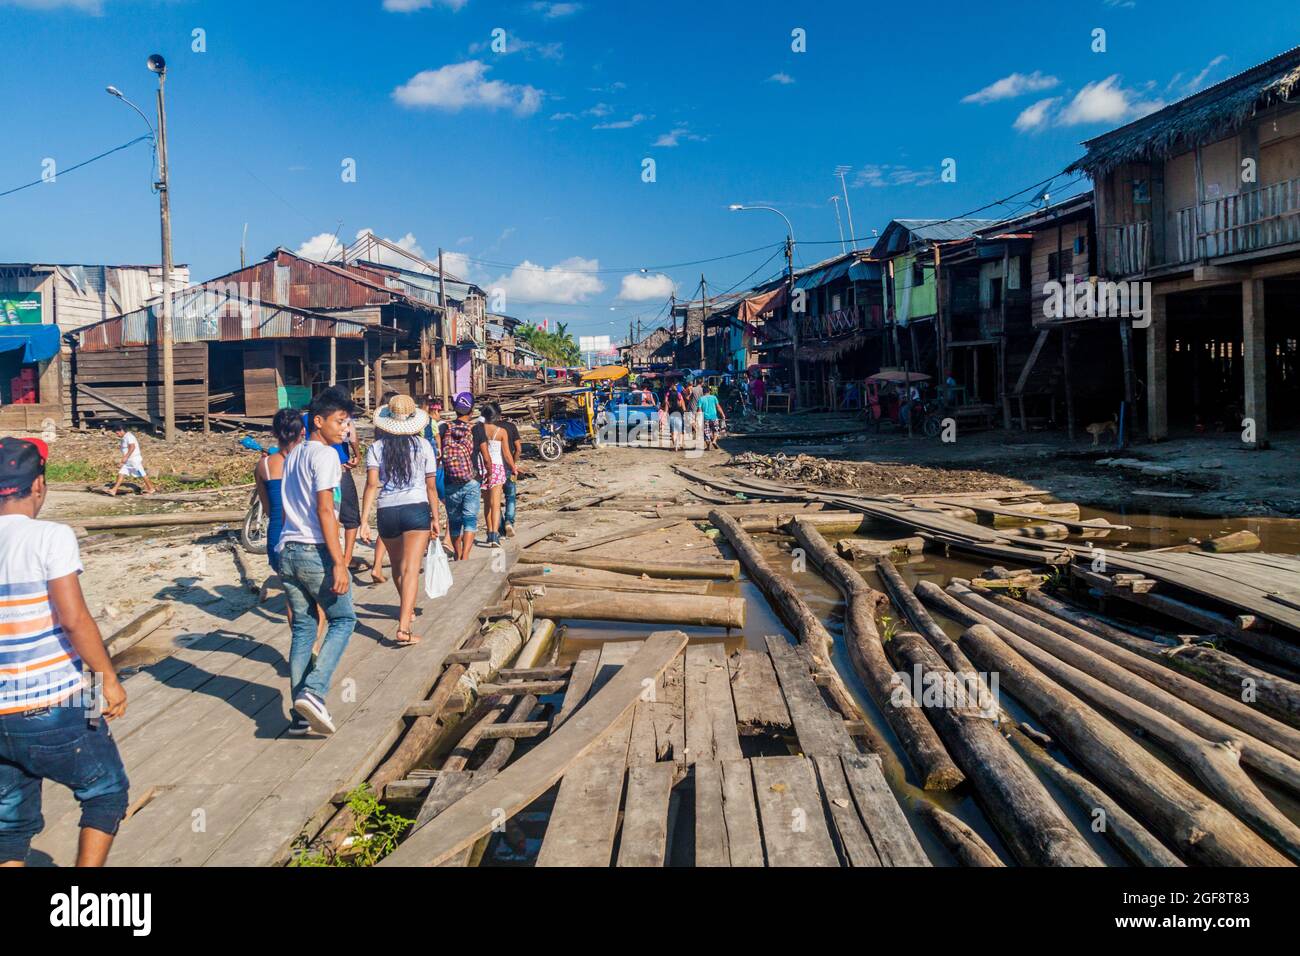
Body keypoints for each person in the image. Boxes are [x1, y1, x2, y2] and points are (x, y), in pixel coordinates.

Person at [0, 437, 130, 867]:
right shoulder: (51, 536)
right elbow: (74, 619)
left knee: (11, 824)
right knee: (105, 792)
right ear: (38, 486)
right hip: (56, 700)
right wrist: (108, 678)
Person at [278, 387, 358, 736]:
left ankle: (299, 715)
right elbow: (326, 510)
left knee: (304, 629)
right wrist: (339, 562)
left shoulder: (293, 453)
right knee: (344, 619)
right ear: (319, 421)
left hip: (287, 550)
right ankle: (315, 691)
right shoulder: (324, 456)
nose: (345, 429)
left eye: (347, 421)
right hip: (313, 549)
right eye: (340, 421)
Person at [359, 396, 440, 647]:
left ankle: (407, 609)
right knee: (412, 568)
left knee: (396, 566)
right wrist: (436, 518)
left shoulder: (376, 448)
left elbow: (371, 485)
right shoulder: (424, 445)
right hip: (416, 508)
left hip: (387, 510)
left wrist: (364, 521)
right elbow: (431, 487)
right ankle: (404, 626)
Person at [302, 405, 361, 573]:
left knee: (326, 514)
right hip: (341, 469)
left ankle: (331, 557)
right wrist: (357, 455)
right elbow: (352, 436)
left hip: (311, 470)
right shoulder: (341, 416)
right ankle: (345, 559)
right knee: (348, 517)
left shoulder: (304, 418)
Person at [255, 408, 305, 578]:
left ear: (274, 432)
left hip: (277, 539)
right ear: (303, 431)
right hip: (305, 539)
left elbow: (269, 510)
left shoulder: (264, 465)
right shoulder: (309, 459)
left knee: (292, 596)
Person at [440, 392, 482, 561]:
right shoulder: (476, 429)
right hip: (471, 480)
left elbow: (438, 451)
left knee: (455, 521)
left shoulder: (445, 427)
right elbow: (485, 454)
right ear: (471, 410)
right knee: (470, 519)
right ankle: (465, 556)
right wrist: (488, 472)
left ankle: (457, 555)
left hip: (450, 480)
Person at [478, 404, 516, 548]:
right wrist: (513, 467)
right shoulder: (501, 431)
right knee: (496, 504)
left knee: (487, 504)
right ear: (497, 416)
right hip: (497, 468)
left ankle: (489, 533)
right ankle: (495, 536)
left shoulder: (477, 429)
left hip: (482, 468)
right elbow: (506, 454)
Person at [489, 402, 523, 538]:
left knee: (494, 500)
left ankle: (501, 527)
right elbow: (518, 448)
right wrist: (513, 463)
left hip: (494, 469)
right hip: (509, 468)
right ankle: (509, 521)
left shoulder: (489, 429)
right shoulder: (511, 427)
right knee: (511, 496)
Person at [106, 425, 157, 496]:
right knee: (121, 473)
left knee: (142, 473)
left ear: (121, 430)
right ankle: (114, 490)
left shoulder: (129, 436)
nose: (117, 435)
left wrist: (125, 457)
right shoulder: (125, 437)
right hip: (129, 460)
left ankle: (151, 488)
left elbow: (132, 447)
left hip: (134, 459)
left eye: (117, 433)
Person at [697, 384, 727, 450]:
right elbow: (718, 406)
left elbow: (699, 409)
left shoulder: (701, 399)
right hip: (714, 417)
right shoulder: (714, 397)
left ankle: (708, 447)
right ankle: (714, 441)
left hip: (705, 418)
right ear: (709, 391)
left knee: (706, 432)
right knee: (716, 430)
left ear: (703, 392)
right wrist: (722, 414)